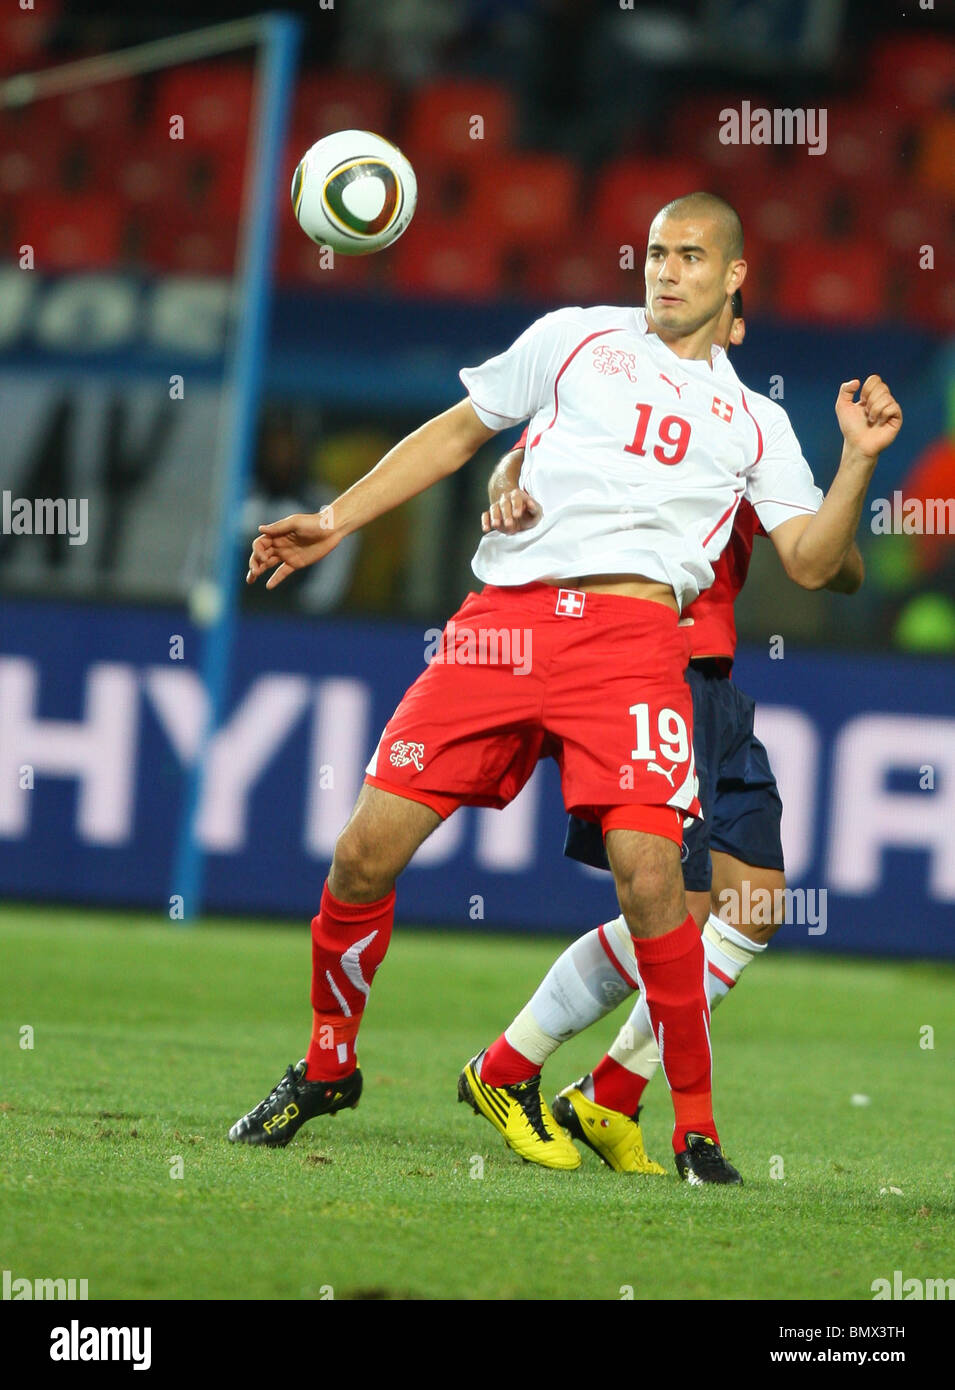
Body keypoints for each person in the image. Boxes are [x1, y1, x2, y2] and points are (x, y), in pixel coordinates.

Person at [231, 192, 901, 1184]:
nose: (663, 269)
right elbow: (460, 432)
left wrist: (857, 461)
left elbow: (811, 560)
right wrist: (336, 517)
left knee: (655, 880)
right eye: (653, 252)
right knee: (364, 853)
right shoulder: (574, 339)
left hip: (633, 646)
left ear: (732, 277)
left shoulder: (753, 420)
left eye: (687, 255)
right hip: (499, 629)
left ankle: (692, 1132)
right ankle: (330, 1060)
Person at [468, 290, 864, 1176]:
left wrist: (855, 466)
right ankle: (507, 1066)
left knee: (754, 897)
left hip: (715, 683)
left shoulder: (745, 427)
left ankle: (606, 1094)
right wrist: (505, 489)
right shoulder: (614, 399)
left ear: (736, 322)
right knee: (674, 912)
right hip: (642, 666)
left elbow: (828, 565)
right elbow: (520, 463)